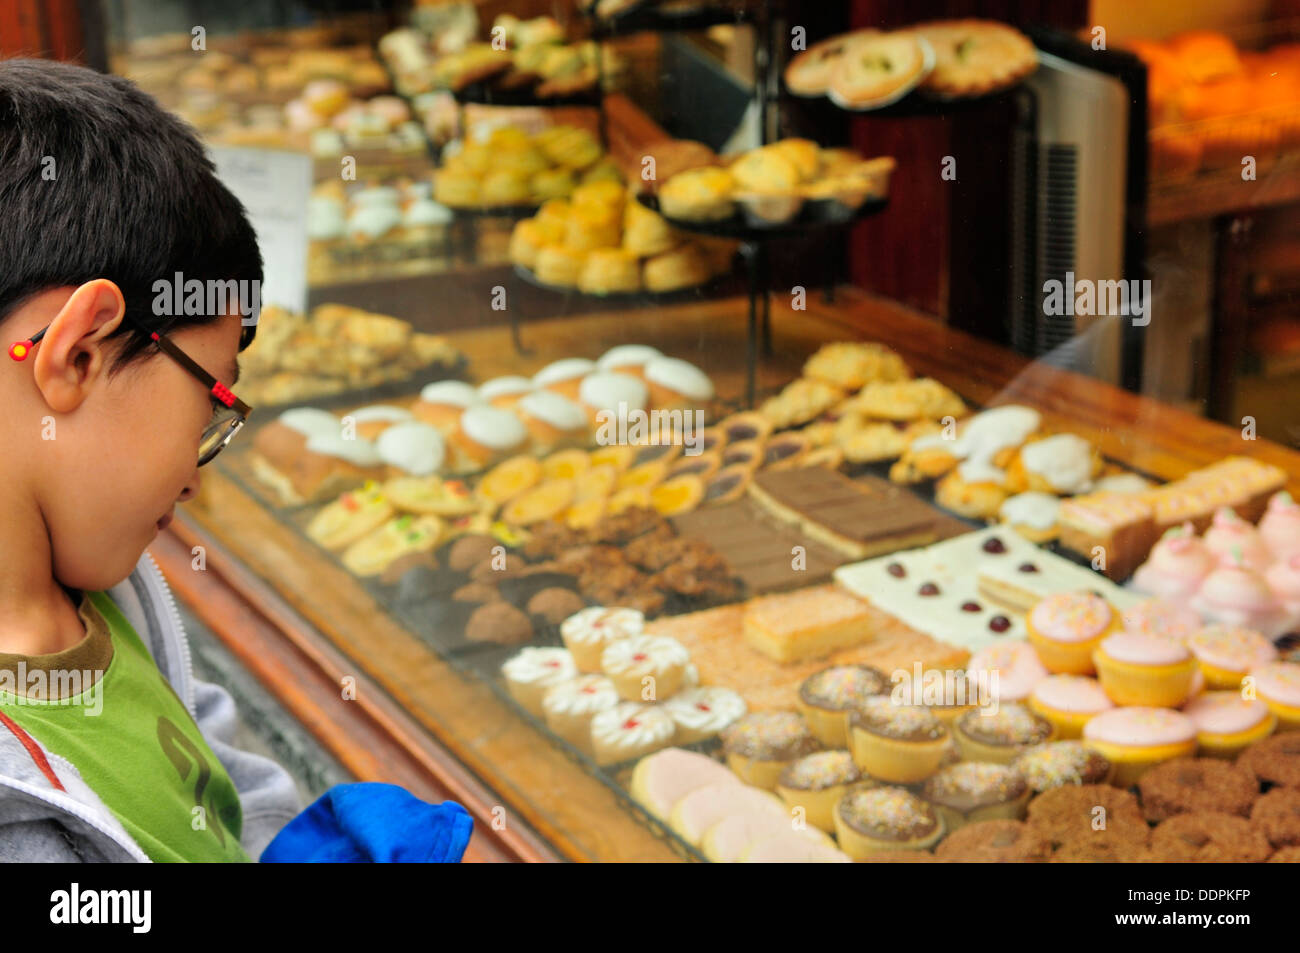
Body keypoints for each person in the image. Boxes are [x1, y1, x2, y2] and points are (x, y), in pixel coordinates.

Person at [0, 57, 301, 862]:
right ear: (79, 353)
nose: (196, 477)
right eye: (211, 402)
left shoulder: (109, 594)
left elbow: (215, 787)